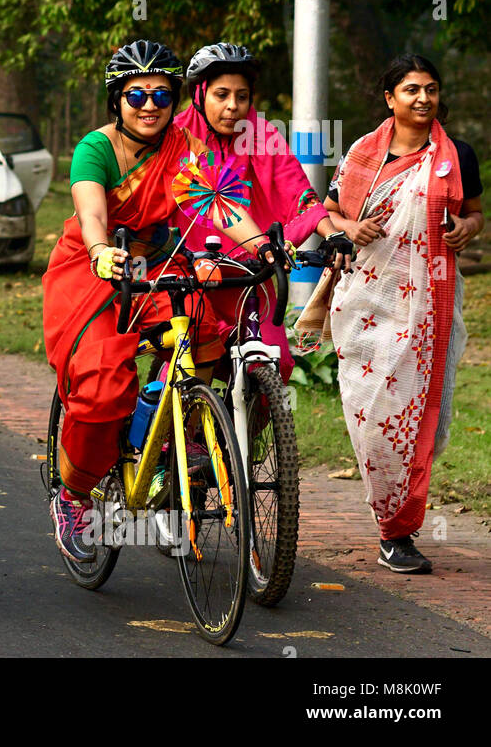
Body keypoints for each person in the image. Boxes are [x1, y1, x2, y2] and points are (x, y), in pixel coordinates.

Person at [41, 40, 278, 564]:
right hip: (93, 266)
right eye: (137, 94)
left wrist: (262, 244)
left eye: (162, 95)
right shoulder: (95, 148)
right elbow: (91, 212)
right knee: (103, 389)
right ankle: (75, 496)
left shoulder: (185, 146)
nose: (150, 105)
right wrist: (102, 249)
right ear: (117, 100)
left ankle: (174, 431)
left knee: (202, 327)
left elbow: (218, 203)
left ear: (175, 99)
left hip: (156, 261)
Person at [323, 54, 484, 574]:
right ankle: (389, 513)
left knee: (419, 422)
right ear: (389, 98)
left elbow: (475, 213)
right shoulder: (361, 155)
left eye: (431, 89)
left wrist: (468, 229)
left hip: (431, 304)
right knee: (373, 413)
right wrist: (349, 230)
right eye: (411, 89)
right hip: (367, 300)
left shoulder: (457, 154)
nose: (423, 98)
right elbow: (329, 214)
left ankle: (399, 533)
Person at [173, 43, 338, 380]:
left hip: (250, 274)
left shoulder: (262, 134)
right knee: (188, 367)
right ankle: (179, 431)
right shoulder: (175, 135)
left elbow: (298, 191)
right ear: (199, 93)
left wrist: (331, 233)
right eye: (221, 94)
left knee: (276, 365)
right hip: (187, 276)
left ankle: (244, 429)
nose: (233, 106)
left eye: (242, 96)